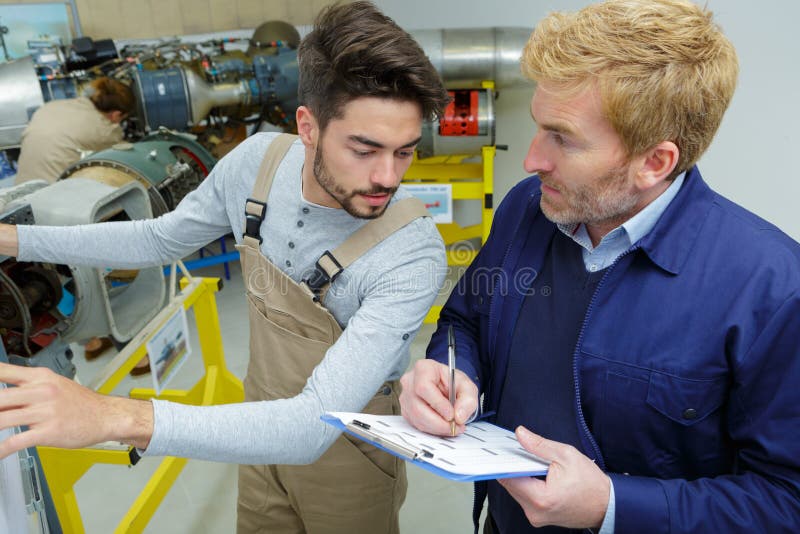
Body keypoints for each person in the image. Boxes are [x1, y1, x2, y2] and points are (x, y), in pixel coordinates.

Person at [0, 2, 449, 533]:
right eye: (365, 149)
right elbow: (159, 239)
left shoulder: (410, 253)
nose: (387, 177)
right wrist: (15, 238)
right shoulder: (255, 164)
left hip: (347, 454)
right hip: (253, 430)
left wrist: (113, 415)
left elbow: (311, 425)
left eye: (405, 152)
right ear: (308, 126)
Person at [399, 1, 800, 533]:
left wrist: (613, 505)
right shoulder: (527, 207)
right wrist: (453, 372)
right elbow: (466, 320)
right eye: (541, 127)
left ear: (654, 162)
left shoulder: (771, 289)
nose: (532, 159)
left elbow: (785, 500)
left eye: (562, 138)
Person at [14, 76, 134, 184]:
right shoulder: (104, 129)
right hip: (53, 198)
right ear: (116, 115)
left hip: (21, 190)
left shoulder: (51, 106)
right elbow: (125, 154)